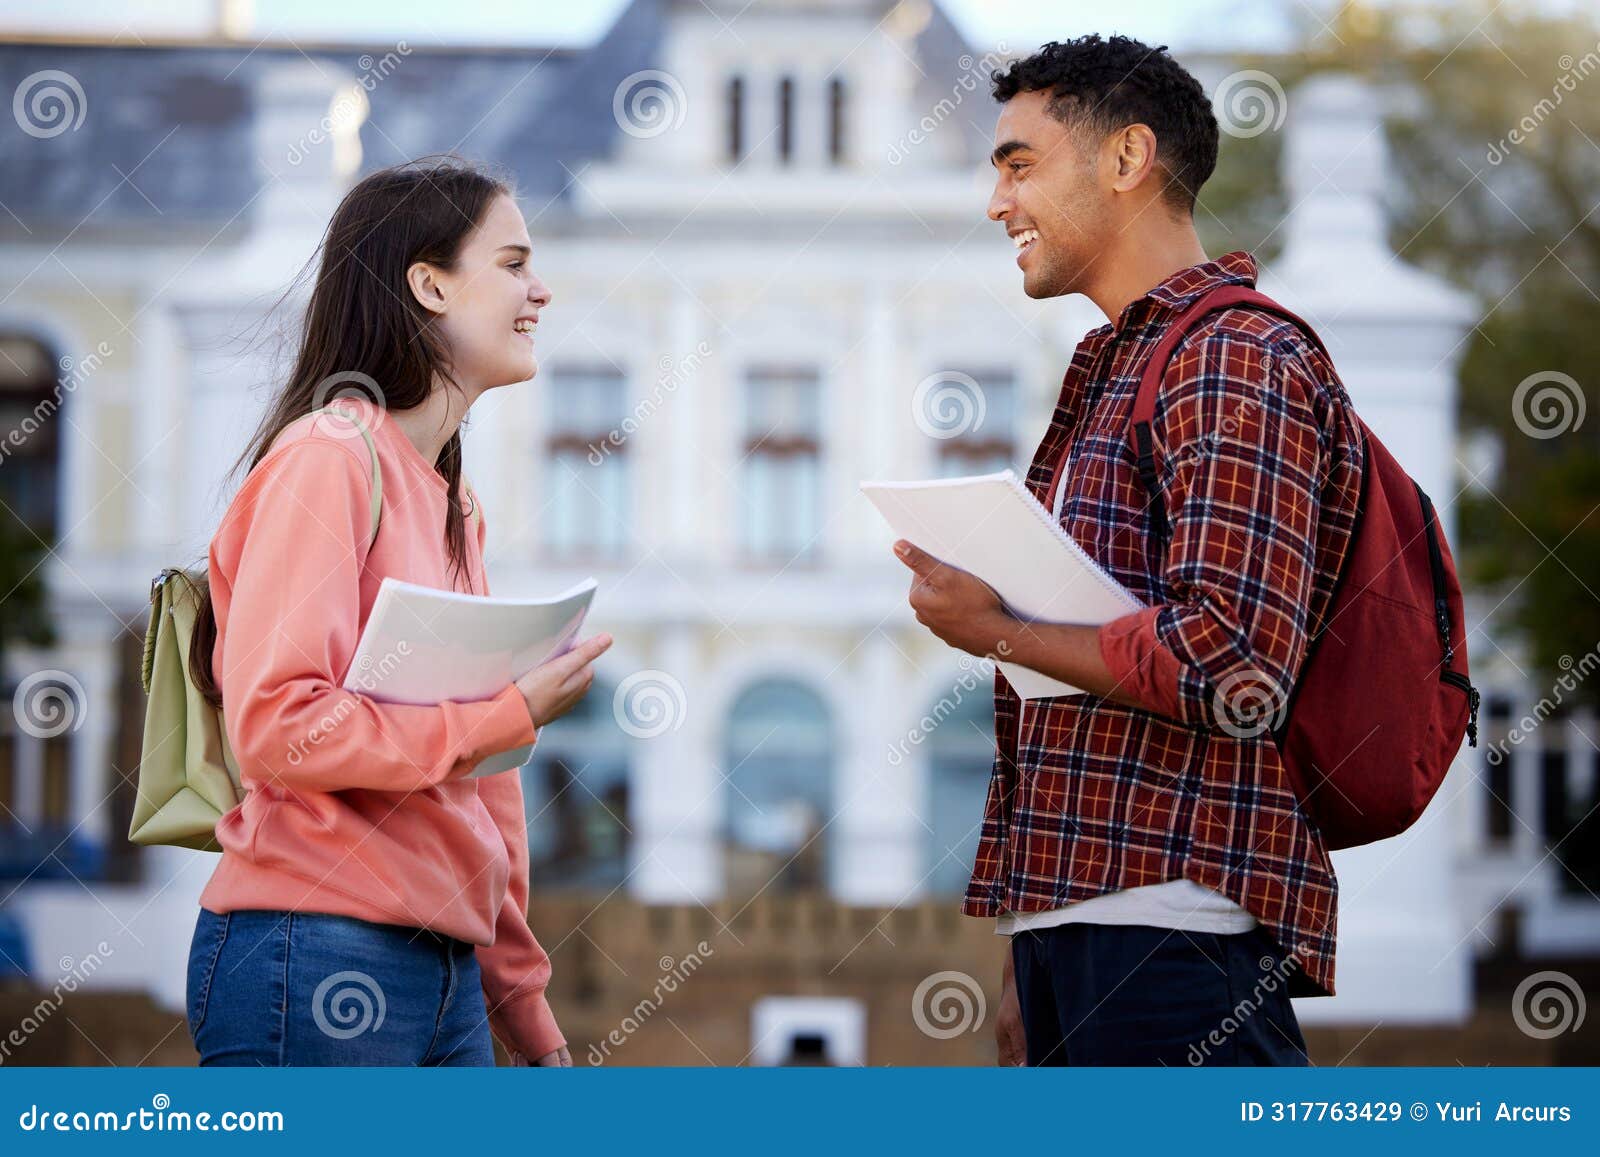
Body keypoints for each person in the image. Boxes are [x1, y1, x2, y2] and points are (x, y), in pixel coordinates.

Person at [894, 35, 1365, 1066]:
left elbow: (1231, 660)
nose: (995, 202)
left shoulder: (1236, 355)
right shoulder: (1117, 365)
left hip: (1177, 935)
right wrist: (1030, 942)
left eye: (1018, 164)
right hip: (1089, 928)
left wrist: (1001, 629)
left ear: (1125, 160)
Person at [183, 157, 611, 1066]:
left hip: (449, 976)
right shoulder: (330, 457)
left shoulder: (458, 506)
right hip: (314, 943)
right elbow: (276, 727)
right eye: (512, 263)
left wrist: (521, 1002)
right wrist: (510, 712)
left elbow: (480, 791)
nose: (541, 290)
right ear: (428, 283)